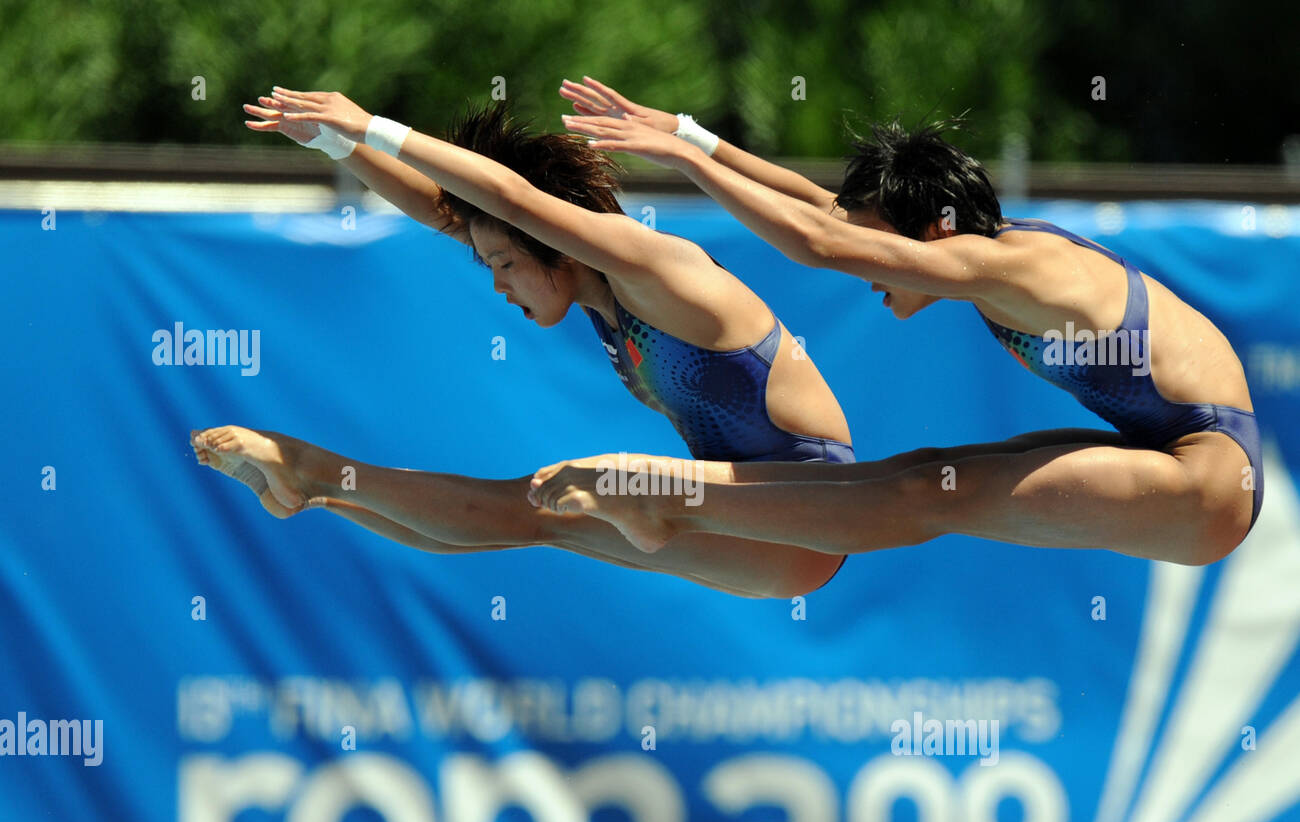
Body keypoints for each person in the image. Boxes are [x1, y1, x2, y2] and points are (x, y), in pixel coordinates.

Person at [538, 78, 1262, 565]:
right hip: (1174, 452)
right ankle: (679, 507)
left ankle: (674, 507)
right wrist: (694, 136)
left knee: (922, 495)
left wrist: (680, 162)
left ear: (933, 233)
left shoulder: (1015, 265)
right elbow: (826, 216)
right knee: (922, 472)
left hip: (1208, 482)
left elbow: (822, 242)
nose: (868, 275)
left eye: (881, 250)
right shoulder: (984, 251)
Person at [191, 90, 856, 598]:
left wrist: (373, 125)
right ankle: (318, 487)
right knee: (528, 514)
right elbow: (457, 212)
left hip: (809, 507)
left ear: (555, 245)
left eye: (505, 264)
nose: (500, 285)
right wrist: (339, 146)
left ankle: (312, 470)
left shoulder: (652, 267)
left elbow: (512, 200)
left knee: (550, 499)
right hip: (756, 520)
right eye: (490, 267)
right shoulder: (596, 290)